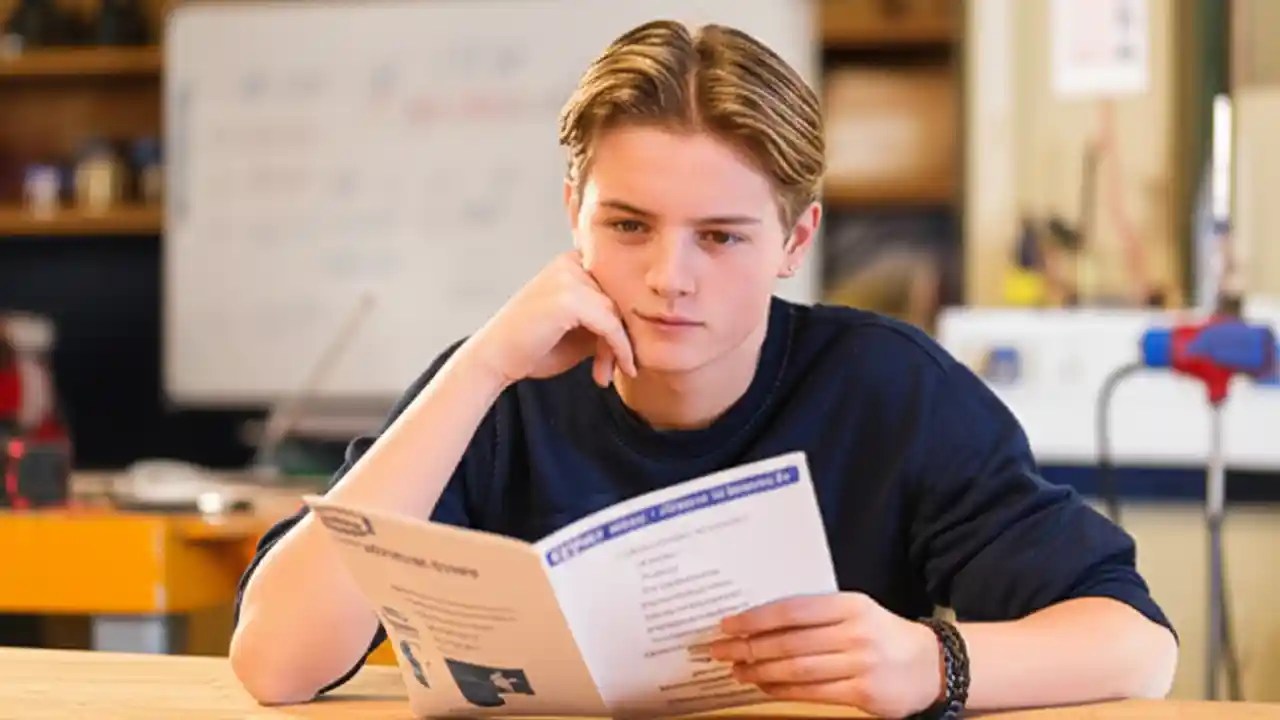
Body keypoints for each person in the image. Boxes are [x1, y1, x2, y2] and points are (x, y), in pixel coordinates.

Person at [230, 19, 1177, 718]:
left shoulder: (888, 389)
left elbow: (1138, 649)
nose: (666, 280)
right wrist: (477, 373)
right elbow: (275, 664)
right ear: (574, 210)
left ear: (795, 239)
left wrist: (936, 662)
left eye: (721, 236)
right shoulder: (493, 387)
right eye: (627, 225)